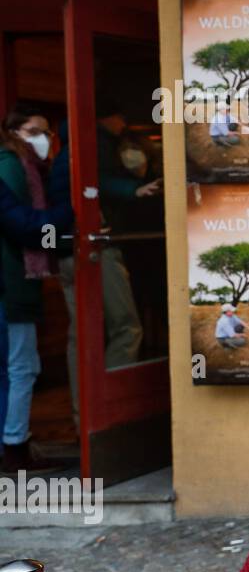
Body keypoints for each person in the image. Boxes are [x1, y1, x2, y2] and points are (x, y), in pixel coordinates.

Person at [54, 104, 158, 425]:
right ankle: (109, 415)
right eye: (121, 115)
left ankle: (82, 416)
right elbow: (95, 182)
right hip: (93, 249)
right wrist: (134, 189)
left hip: (66, 252)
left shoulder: (67, 149)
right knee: (127, 328)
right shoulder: (91, 145)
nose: (124, 121)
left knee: (82, 336)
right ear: (104, 116)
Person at [0, 107, 60, 472]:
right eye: (34, 130)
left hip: (11, 284)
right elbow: (22, 225)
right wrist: (69, 214)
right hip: (11, 285)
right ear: (14, 131)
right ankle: (15, 448)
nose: (43, 138)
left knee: (14, 367)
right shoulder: (10, 167)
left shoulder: (24, 167)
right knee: (22, 367)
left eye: (47, 132)